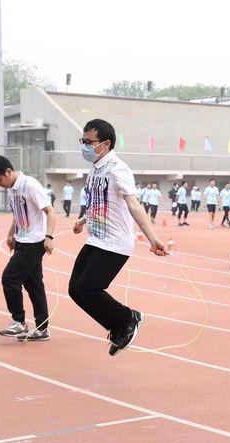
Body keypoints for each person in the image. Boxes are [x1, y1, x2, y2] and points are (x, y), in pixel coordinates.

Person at [70, 119, 167, 356]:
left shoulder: (117, 168)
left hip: (114, 243)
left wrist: (152, 238)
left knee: (89, 289)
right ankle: (118, 325)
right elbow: (98, 201)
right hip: (95, 239)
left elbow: (133, 204)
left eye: (88, 142)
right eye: (82, 141)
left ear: (105, 144)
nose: (84, 146)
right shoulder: (95, 168)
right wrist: (84, 220)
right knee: (75, 290)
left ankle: (127, 318)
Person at [0, 155, 56, 341]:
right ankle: (42, 328)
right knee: (33, 285)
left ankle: (19, 322)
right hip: (22, 240)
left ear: (8, 172)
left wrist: (49, 237)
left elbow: (50, 211)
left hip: (34, 242)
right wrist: (11, 234)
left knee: (9, 279)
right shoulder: (12, 189)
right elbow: (18, 214)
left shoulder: (30, 185)